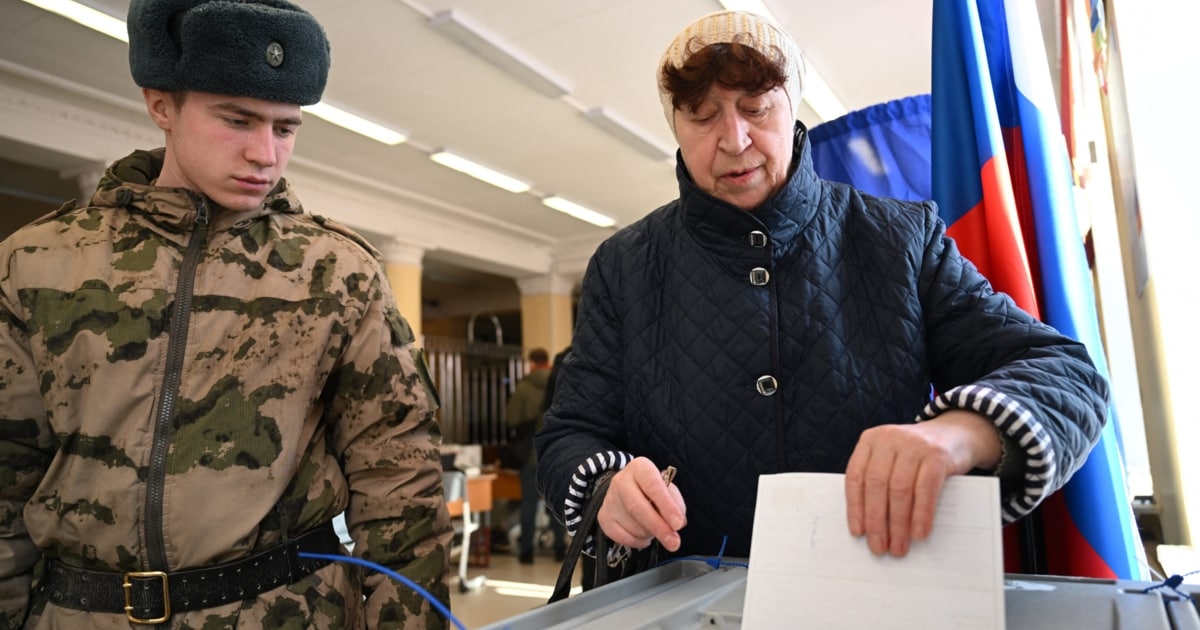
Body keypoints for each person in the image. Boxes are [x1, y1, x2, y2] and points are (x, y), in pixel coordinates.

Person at [535, 10, 1108, 569]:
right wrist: (607, 487)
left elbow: (1068, 374)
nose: (734, 139)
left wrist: (962, 434)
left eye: (756, 109)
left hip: (874, 585)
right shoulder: (624, 265)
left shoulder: (901, 239)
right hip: (680, 593)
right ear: (676, 128)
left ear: (793, 109)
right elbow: (570, 434)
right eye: (702, 117)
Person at [0, 1, 452, 627]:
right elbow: (5, 481)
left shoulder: (337, 272)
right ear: (162, 104)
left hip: (287, 612)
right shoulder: (36, 263)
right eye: (237, 120)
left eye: (285, 128)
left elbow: (399, 480)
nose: (265, 154)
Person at [505, 348, 564, 564]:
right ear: (547, 361)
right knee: (555, 502)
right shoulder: (560, 383)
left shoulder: (523, 387)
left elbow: (512, 418)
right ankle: (559, 547)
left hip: (530, 454)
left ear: (531, 363)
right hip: (555, 454)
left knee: (529, 503)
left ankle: (527, 551)